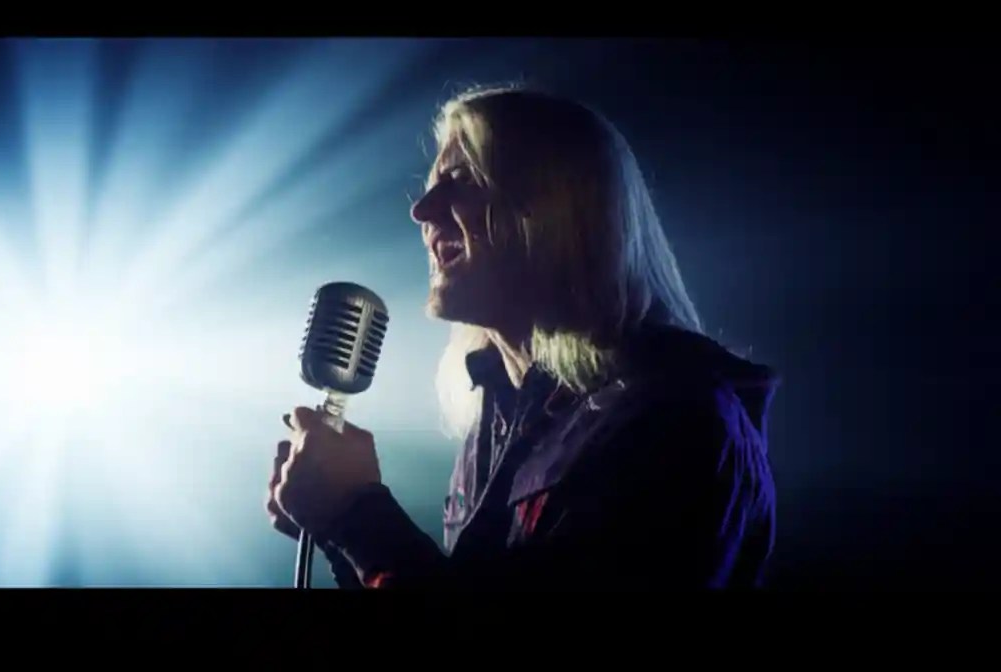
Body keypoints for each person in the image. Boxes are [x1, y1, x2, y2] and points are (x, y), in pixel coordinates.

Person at [265, 84, 778, 589]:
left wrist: (356, 516)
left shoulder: (678, 418)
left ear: (555, 209)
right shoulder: (498, 410)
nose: (421, 212)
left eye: (461, 180)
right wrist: (335, 529)